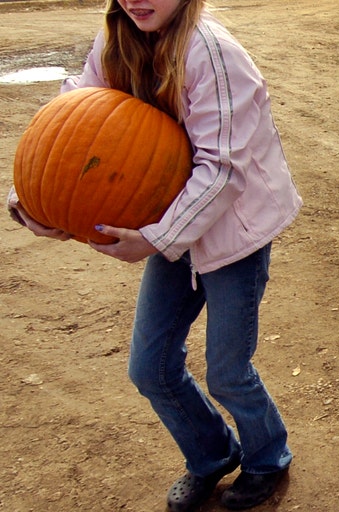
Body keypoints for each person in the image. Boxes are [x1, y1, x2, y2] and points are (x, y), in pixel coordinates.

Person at [7, 0, 302, 510]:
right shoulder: (117, 40)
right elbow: (77, 115)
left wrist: (157, 240)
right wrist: (35, 201)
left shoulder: (212, 54)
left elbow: (222, 169)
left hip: (233, 232)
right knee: (150, 367)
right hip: (169, 223)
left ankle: (268, 457)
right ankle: (212, 456)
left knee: (227, 371)